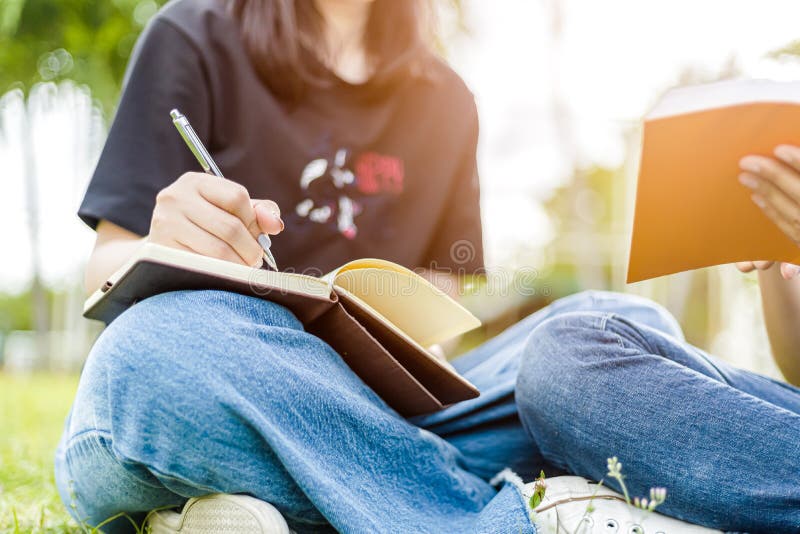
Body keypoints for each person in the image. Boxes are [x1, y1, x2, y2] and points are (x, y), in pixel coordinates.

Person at [54, 0, 799, 533]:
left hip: (391, 414)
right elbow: (107, 266)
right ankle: (515, 511)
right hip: (233, 369)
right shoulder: (191, 35)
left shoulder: (445, 99)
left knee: (623, 323)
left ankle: (284, 506)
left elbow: (437, 314)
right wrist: (164, 241)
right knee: (151, 355)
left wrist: (397, 350)